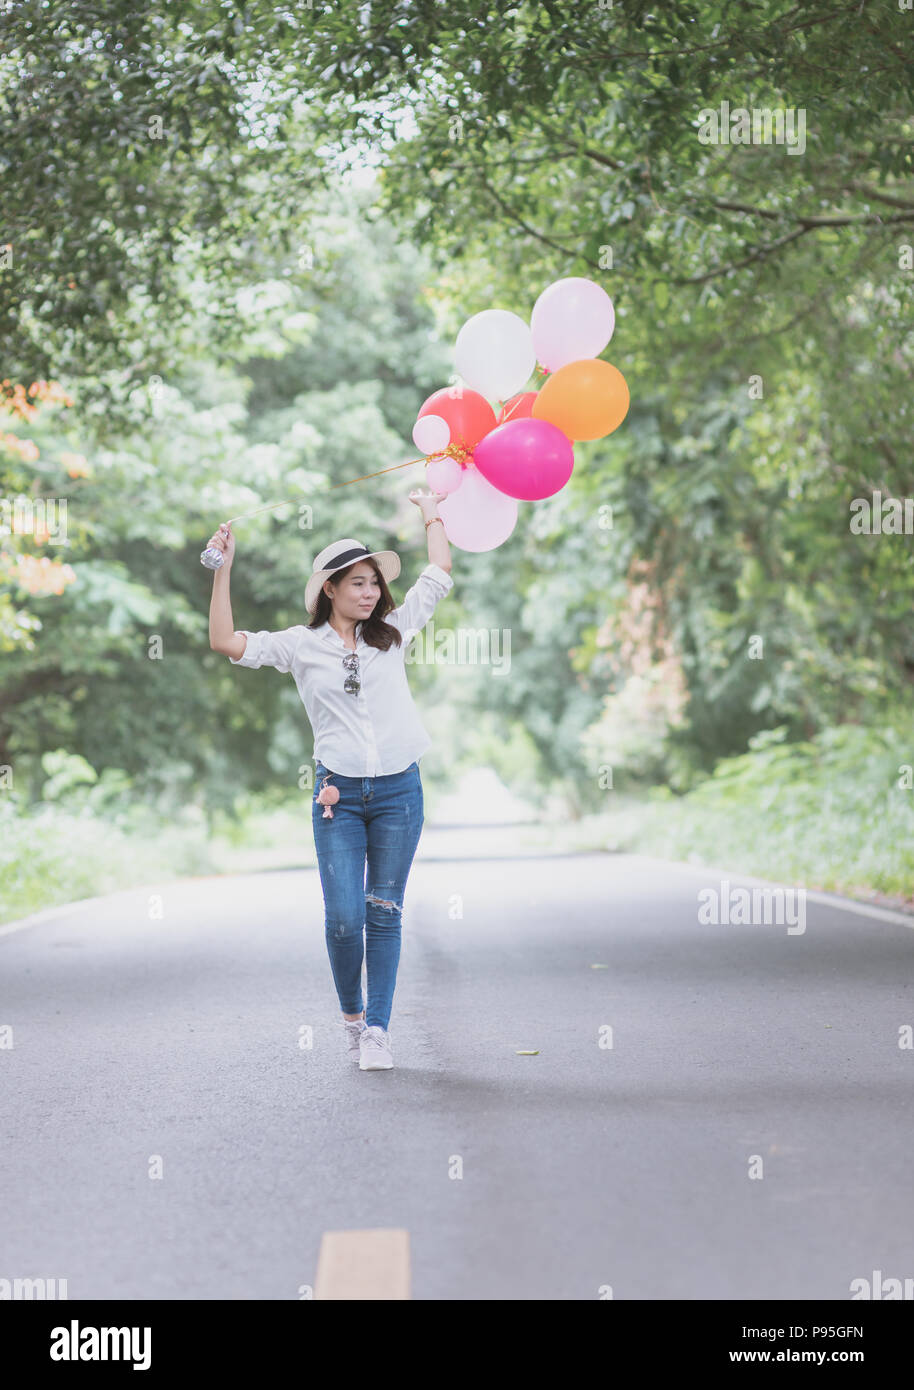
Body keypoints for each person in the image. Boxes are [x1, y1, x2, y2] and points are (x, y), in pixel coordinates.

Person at [206, 488, 453, 1071]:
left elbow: (439, 571)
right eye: (358, 584)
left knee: (384, 910)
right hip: (337, 798)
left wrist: (431, 511)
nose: (370, 594)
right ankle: (351, 1014)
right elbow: (224, 642)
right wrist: (225, 571)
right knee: (344, 919)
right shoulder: (300, 646)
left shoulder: (393, 632)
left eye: (375, 584)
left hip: (399, 792)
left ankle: (378, 1031)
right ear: (330, 590)